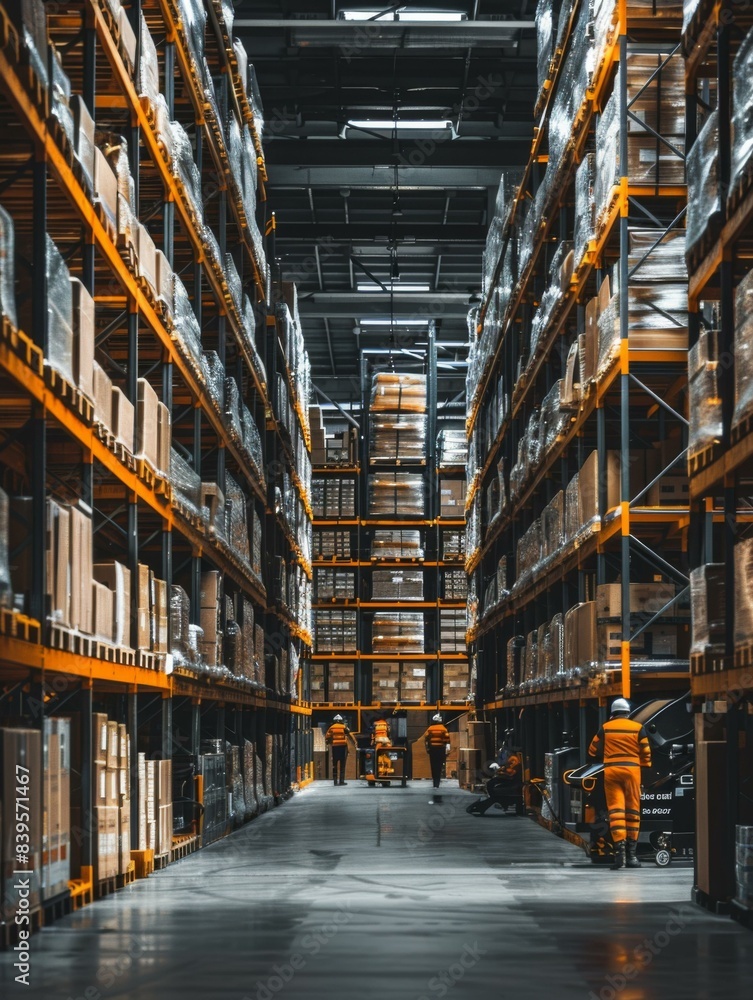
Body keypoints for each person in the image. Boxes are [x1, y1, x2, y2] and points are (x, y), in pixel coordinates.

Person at [588, 698, 652, 869]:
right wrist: (643, 765)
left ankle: (619, 856)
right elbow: (646, 752)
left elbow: (592, 750)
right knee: (633, 812)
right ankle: (632, 856)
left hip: (612, 771)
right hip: (632, 772)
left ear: (613, 713)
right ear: (627, 712)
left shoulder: (605, 728)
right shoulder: (638, 728)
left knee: (616, 812)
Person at [423, 713, 451, 803]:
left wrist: (427, 748)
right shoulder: (443, 729)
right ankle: (437, 783)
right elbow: (447, 739)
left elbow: (426, 739)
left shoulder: (430, 729)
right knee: (439, 766)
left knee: (433, 765)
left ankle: (434, 782)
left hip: (432, 749)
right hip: (440, 749)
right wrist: (447, 749)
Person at [325, 714, 357, 786]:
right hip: (343, 747)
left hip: (335, 748)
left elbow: (327, 737)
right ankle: (341, 781)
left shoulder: (331, 728)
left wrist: (329, 743)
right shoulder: (343, 727)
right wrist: (354, 742)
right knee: (342, 765)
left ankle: (335, 781)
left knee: (334, 765)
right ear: (341, 721)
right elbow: (349, 734)